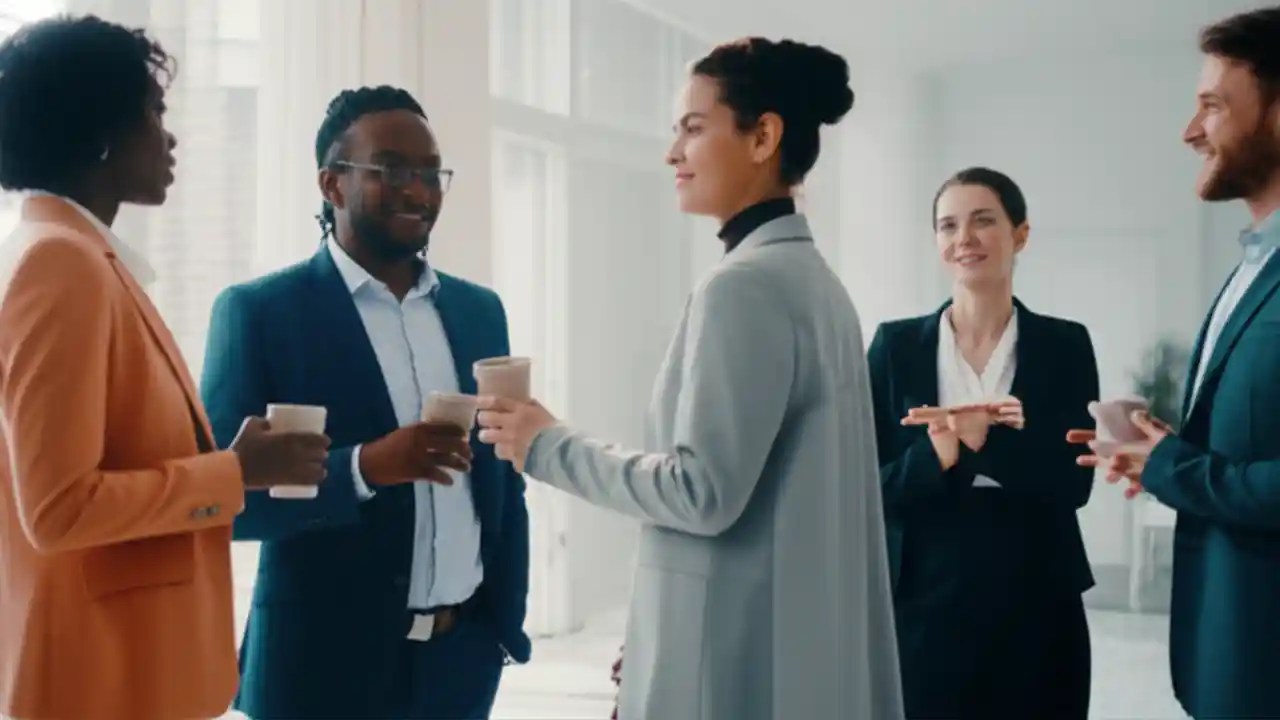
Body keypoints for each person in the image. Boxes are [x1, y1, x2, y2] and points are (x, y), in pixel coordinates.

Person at [476, 37, 903, 720]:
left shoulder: (744, 289)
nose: (672, 152)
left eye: (693, 128)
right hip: (789, 661)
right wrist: (656, 639)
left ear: (763, 136)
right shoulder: (820, 286)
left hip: (735, 676)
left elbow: (701, 492)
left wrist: (545, 444)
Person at [0, 15, 329, 720]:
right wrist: (236, 474)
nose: (169, 135)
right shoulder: (60, 267)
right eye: (154, 112)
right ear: (101, 133)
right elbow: (57, 510)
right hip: (101, 682)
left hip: (123, 670)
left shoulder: (76, 258)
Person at [200, 85, 530, 720]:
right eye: (393, 172)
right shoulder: (260, 313)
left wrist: (499, 627)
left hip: (460, 665)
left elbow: (499, 482)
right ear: (333, 184)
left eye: (433, 174)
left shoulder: (479, 312)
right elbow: (219, 504)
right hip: (319, 672)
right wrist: (363, 468)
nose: (419, 191)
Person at [1070, 7, 1280, 718]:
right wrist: (1163, 452)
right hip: (1231, 659)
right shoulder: (1251, 267)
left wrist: (1174, 468)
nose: (1190, 132)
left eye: (1213, 107)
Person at [869, 167, 1098, 719]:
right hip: (923, 605)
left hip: (1040, 602)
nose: (963, 238)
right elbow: (867, 489)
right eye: (948, 225)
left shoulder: (1064, 345)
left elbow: (1075, 480)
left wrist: (976, 441)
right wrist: (938, 453)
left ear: (1020, 234)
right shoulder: (895, 346)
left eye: (983, 221)